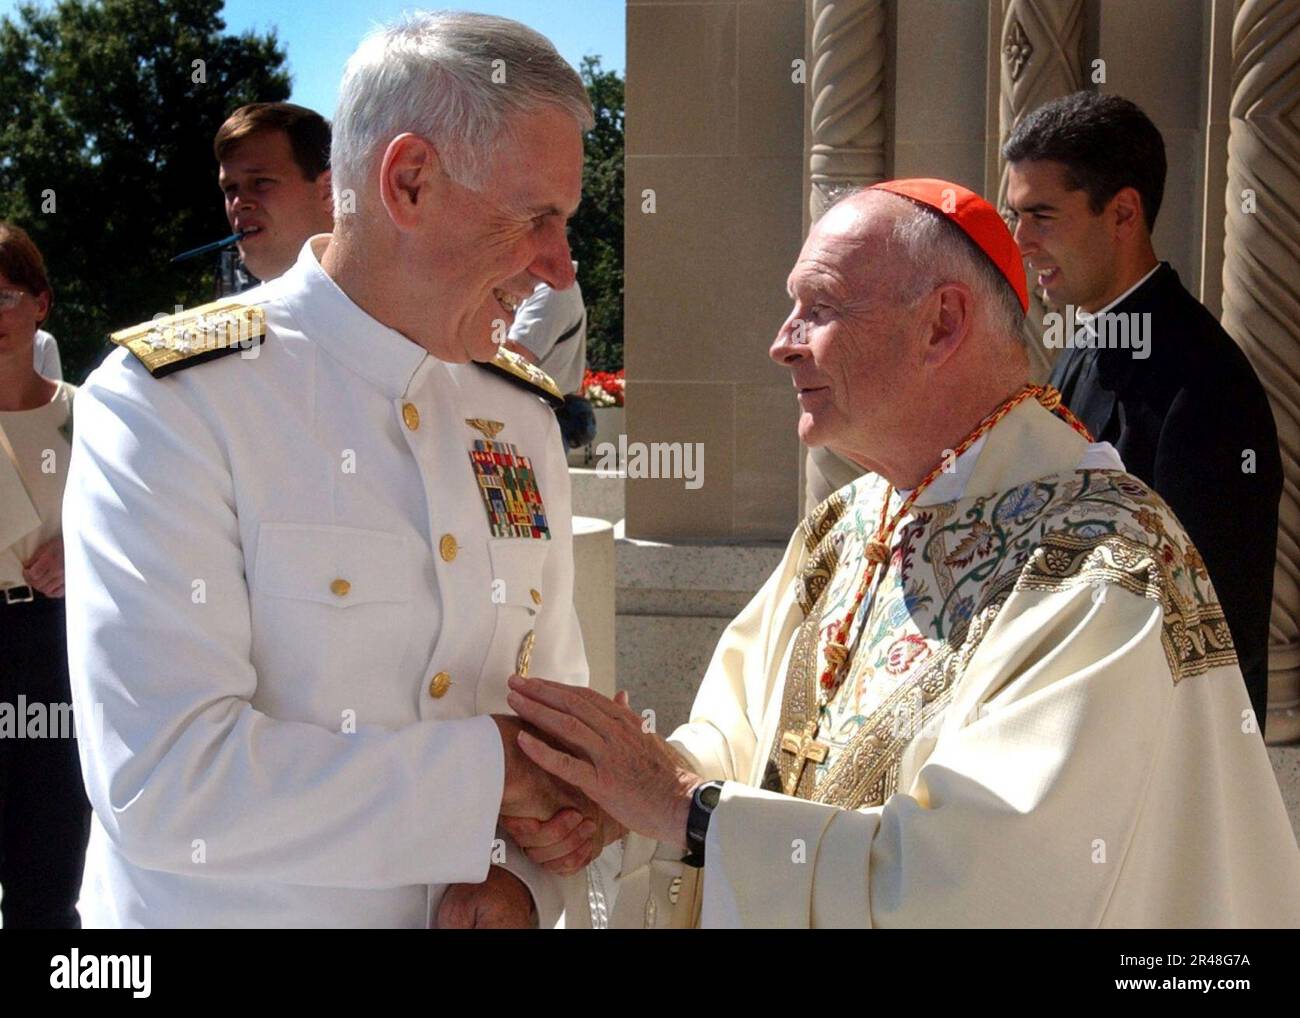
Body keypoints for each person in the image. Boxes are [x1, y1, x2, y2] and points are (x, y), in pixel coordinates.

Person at [503, 180, 1300, 928]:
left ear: (944, 324)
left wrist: (686, 810)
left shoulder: (1103, 564)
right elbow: (739, 731)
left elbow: (991, 880)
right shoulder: (847, 524)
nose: (783, 343)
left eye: (819, 308)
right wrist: (620, 801)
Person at [64, 11, 601, 928]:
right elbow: (162, 785)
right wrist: (495, 772)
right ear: (410, 181)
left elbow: (558, 723)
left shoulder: (517, 416)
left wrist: (521, 878)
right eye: (535, 218)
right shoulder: (172, 404)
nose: (557, 266)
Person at [1004, 92, 1282, 736]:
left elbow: (1205, 618)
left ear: (1123, 211)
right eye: (1015, 216)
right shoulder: (1084, 343)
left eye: (1041, 215)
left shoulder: (1205, 383)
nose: (1022, 241)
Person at [0, 222, 89, 927]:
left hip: (57, 646)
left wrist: (83, 549)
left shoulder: (91, 414)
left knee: (49, 867)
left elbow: (148, 539)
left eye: (2, 297)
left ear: (41, 304)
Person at [215, 102, 335, 285]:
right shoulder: (235, 313)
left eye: (260, 182)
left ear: (329, 190)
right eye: (230, 188)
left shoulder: (389, 300)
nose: (238, 203)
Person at [504, 271, 594, 450]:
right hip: (536, 421)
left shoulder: (552, 291)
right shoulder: (548, 287)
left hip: (536, 426)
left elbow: (513, 356)